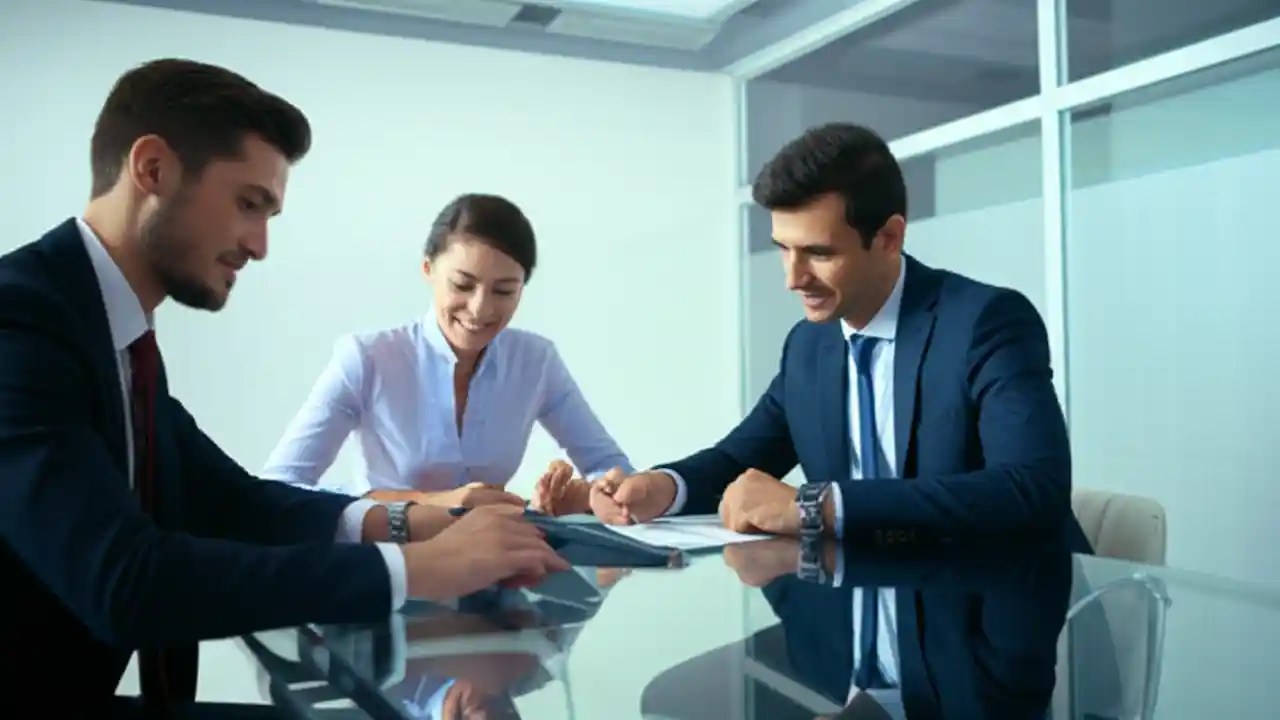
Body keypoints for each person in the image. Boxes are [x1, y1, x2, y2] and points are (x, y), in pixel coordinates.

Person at [0, 58, 567, 717]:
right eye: (249, 205)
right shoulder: (22, 323)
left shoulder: (110, 335)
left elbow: (238, 503)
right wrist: (419, 570)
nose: (260, 245)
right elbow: (127, 582)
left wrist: (406, 521)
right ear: (152, 169)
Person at [589, 122, 1092, 555]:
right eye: (783, 250)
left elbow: (1029, 489)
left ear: (889, 238)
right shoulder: (810, 346)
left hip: (1003, 621)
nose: (793, 278)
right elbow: (739, 459)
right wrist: (662, 486)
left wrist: (816, 507)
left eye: (819, 253)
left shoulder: (985, 322)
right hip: (865, 608)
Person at [260, 193, 632, 515]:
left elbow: (610, 467)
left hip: (496, 565)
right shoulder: (366, 358)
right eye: (462, 285)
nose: (479, 309)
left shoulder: (536, 361)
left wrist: (589, 495)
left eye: (503, 291)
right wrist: (432, 501)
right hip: (393, 564)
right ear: (428, 269)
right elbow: (279, 488)